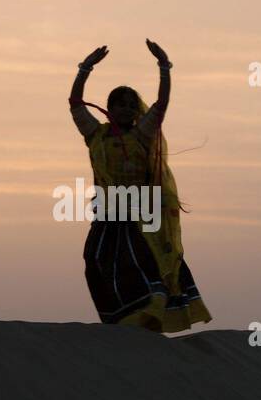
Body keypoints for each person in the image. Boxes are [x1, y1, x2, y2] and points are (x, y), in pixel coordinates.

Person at [68, 39, 211, 332]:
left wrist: (164, 67)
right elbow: (75, 105)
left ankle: (153, 315)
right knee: (95, 261)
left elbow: (161, 105)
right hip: (108, 215)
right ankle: (122, 321)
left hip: (140, 215)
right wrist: (85, 68)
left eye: (132, 105)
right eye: (121, 104)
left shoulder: (142, 135)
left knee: (141, 261)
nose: (127, 109)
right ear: (110, 108)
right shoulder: (96, 135)